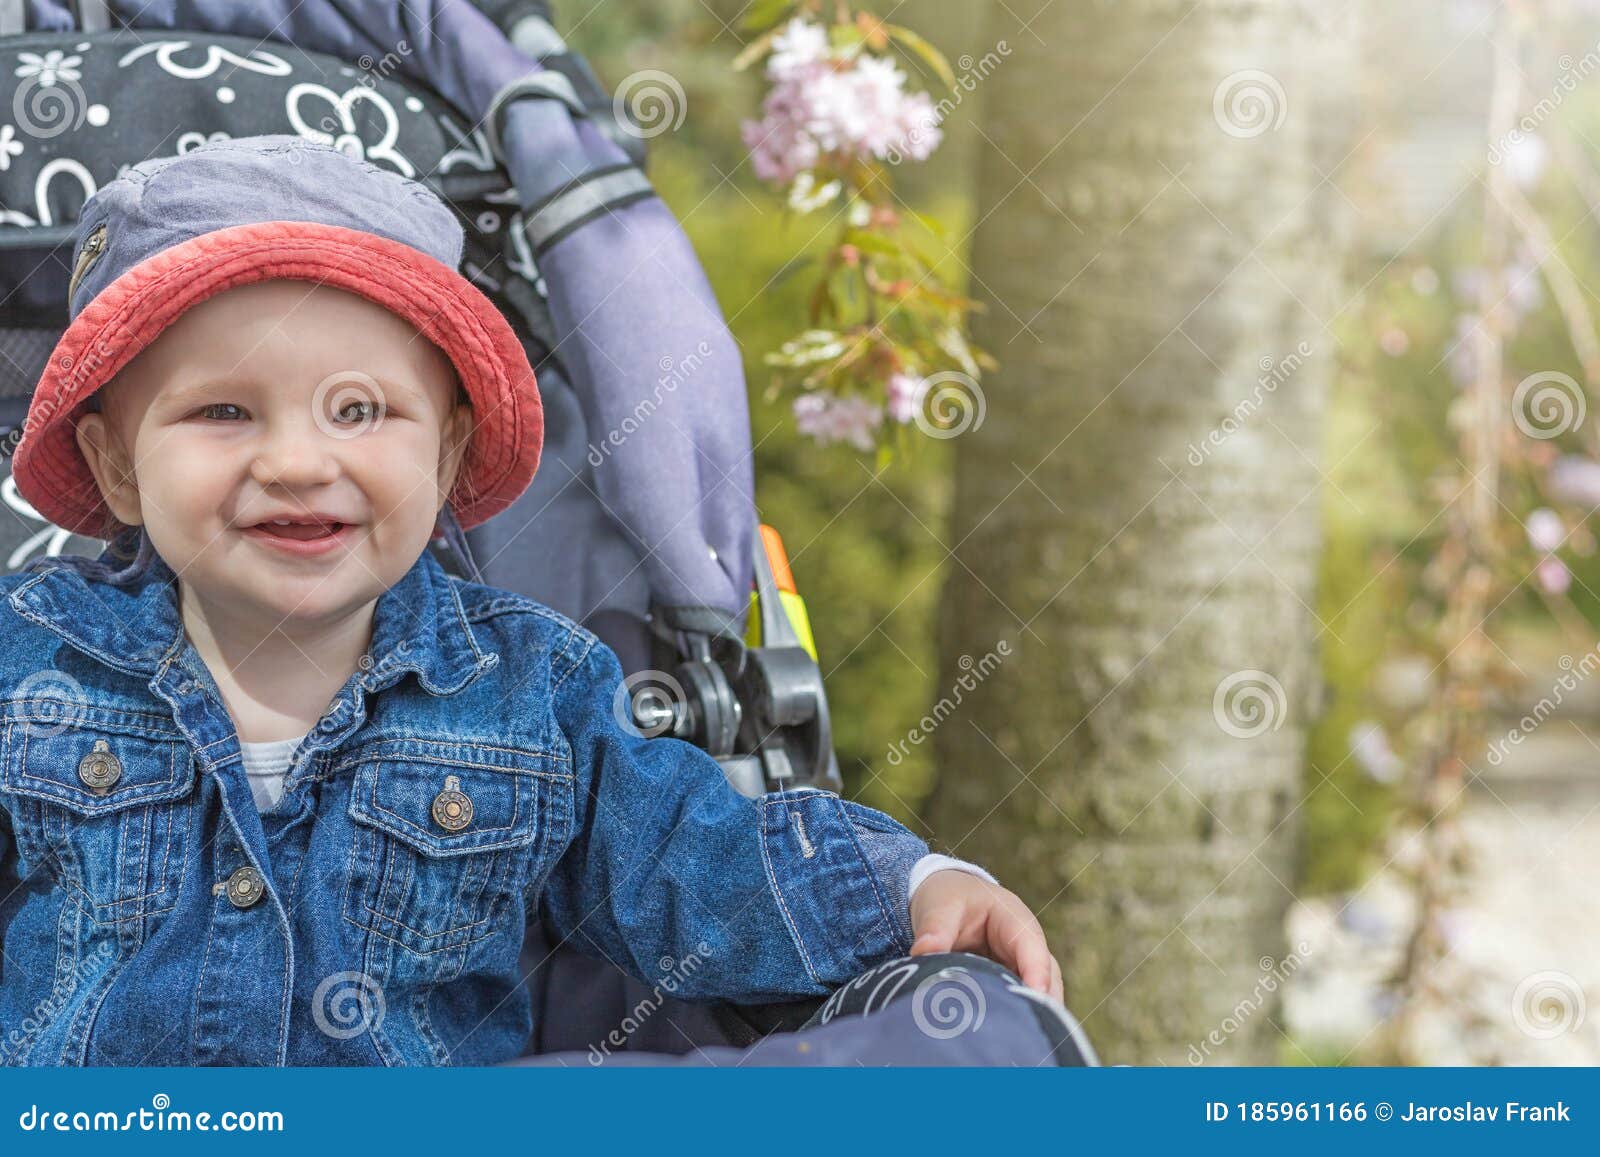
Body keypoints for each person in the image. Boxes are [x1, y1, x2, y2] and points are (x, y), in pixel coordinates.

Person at [0, 136, 1066, 1066]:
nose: (294, 460)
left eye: (360, 409)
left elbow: (698, 858)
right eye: (223, 410)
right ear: (118, 466)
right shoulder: (31, 663)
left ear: (448, 447)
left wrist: (911, 881)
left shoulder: (528, 693)